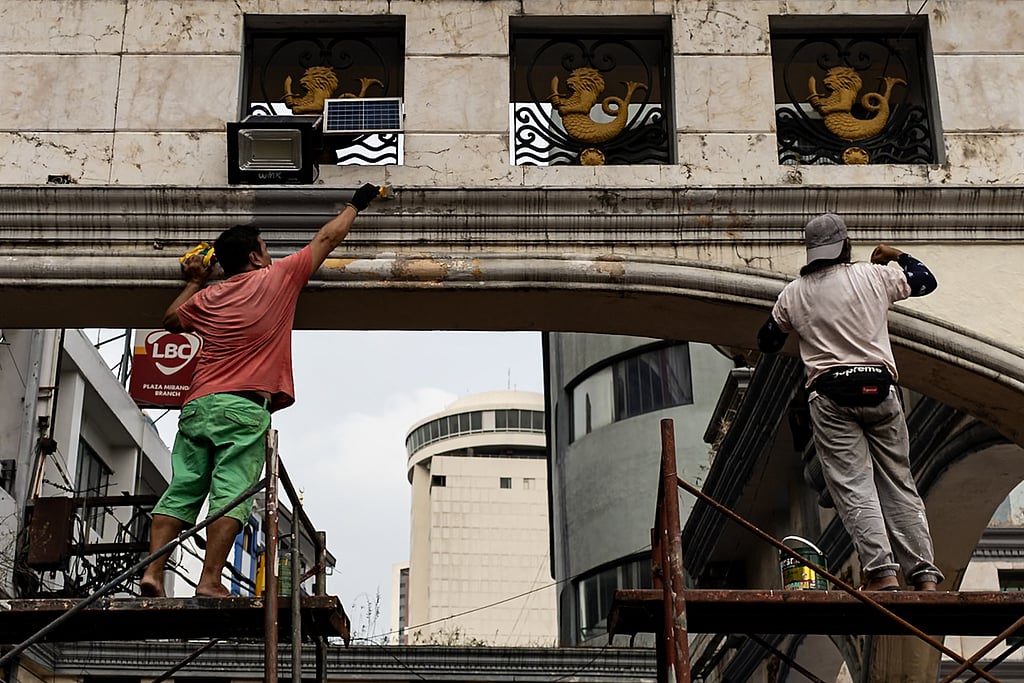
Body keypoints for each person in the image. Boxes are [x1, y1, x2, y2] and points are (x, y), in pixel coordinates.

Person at [140, 183, 382, 598]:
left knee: (183, 489)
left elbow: (171, 319)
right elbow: (327, 238)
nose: (269, 255)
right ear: (254, 257)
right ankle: (209, 580)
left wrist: (195, 280)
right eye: (266, 249)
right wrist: (355, 205)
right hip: (243, 406)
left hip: (198, 405)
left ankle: (153, 573)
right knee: (231, 493)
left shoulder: (209, 297)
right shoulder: (278, 278)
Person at [757, 213, 943, 592]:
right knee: (899, 483)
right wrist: (894, 255)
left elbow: (768, 341)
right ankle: (924, 575)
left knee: (855, 486)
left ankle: (882, 573)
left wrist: (797, 323)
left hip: (831, 397)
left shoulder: (794, 293)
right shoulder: (873, 277)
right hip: (880, 389)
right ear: (846, 245)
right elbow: (925, 280)